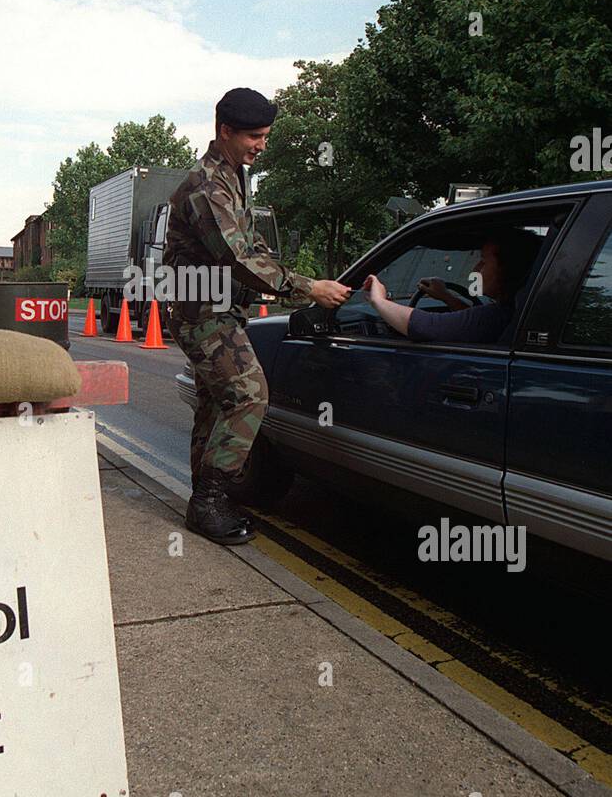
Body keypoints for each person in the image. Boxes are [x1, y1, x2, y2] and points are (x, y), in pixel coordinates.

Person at [164, 87, 351, 545]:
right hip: (201, 310)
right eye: (255, 136)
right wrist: (308, 288)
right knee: (249, 396)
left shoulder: (233, 176)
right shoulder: (207, 186)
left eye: (266, 136)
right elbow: (238, 258)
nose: (262, 145)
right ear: (225, 131)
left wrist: (298, 279)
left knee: (215, 405)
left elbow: (254, 246)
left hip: (214, 307)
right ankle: (208, 503)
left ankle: (205, 501)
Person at [362, 228, 541, 343]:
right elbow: (471, 322)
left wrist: (378, 300)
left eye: (483, 261)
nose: (476, 268)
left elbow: (426, 326)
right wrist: (446, 297)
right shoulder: (517, 310)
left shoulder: (500, 316)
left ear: (508, 268)